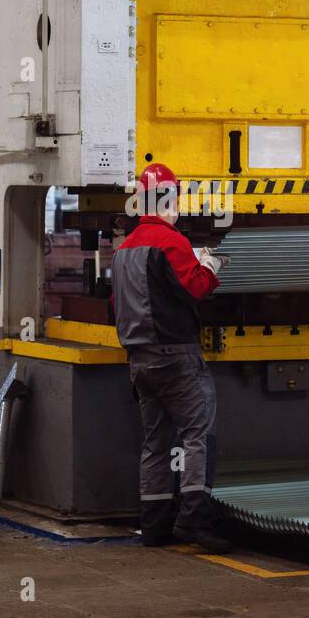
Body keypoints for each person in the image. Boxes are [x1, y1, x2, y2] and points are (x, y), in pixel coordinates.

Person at [111, 162, 230, 553]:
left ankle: (155, 525)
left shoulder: (124, 250)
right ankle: (195, 519)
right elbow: (194, 287)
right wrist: (210, 265)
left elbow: (116, 304)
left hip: (139, 360)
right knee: (198, 435)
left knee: (155, 442)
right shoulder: (170, 241)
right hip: (176, 357)